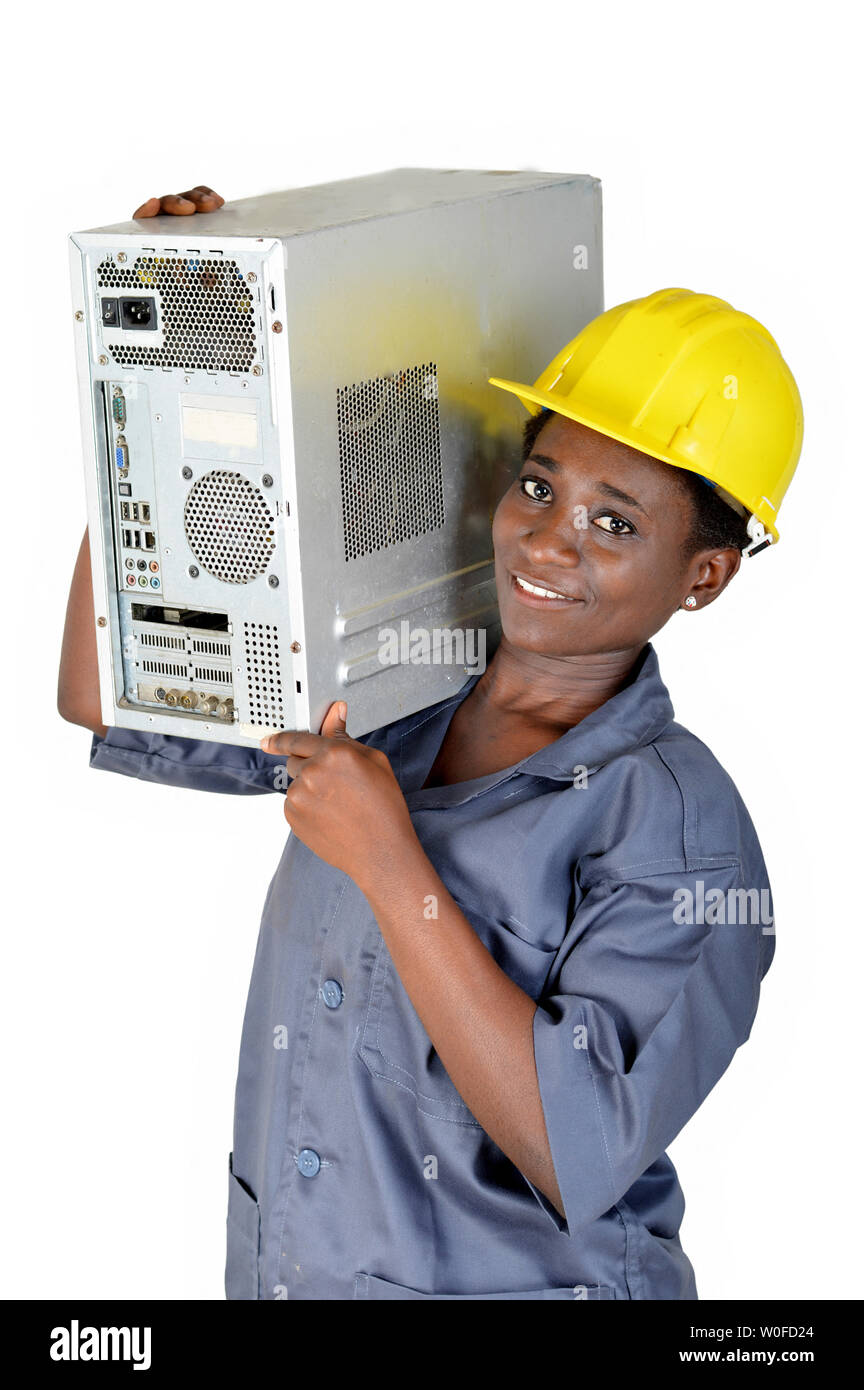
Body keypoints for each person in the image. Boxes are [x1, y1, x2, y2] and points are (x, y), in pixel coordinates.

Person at [58, 184, 803, 1301]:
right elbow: (105, 694)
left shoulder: (679, 838)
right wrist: (160, 381)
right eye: (540, 485)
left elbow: (576, 1146)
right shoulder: (395, 690)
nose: (551, 540)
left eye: (616, 522)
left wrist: (391, 858)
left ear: (706, 574)